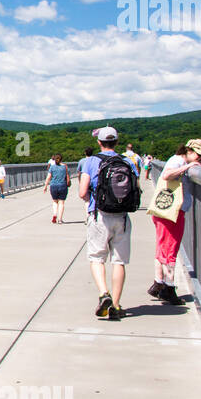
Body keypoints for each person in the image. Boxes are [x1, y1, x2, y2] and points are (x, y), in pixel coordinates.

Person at [78, 126, 140, 320]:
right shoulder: (128, 162)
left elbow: (82, 192)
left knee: (97, 257)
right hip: (121, 217)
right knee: (119, 261)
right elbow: (136, 189)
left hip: (99, 215)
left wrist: (93, 199)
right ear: (117, 142)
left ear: (99, 142)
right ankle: (116, 305)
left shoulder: (91, 162)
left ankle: (104, 293)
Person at [147, 138, 201, 305]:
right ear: (189, 151)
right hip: (171, 213)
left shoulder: (178, 160)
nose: (200, 160)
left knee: (163, 247)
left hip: (165, 211)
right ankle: (169, 288)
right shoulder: (178, 161)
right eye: (199, 156)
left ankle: (158, 283)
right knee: (170, 250)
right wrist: (188, 166)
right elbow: (166, 174)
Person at [42, 153, 70, 224]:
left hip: (53, 186)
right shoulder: (65, 167)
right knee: (61, 202)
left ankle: (55, 215)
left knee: (55, 201)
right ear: (61, 159)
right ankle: (60, 219)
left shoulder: (52, 167)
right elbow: (67, 176)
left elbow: (48, 177)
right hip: (62, 186)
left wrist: (45, 186)